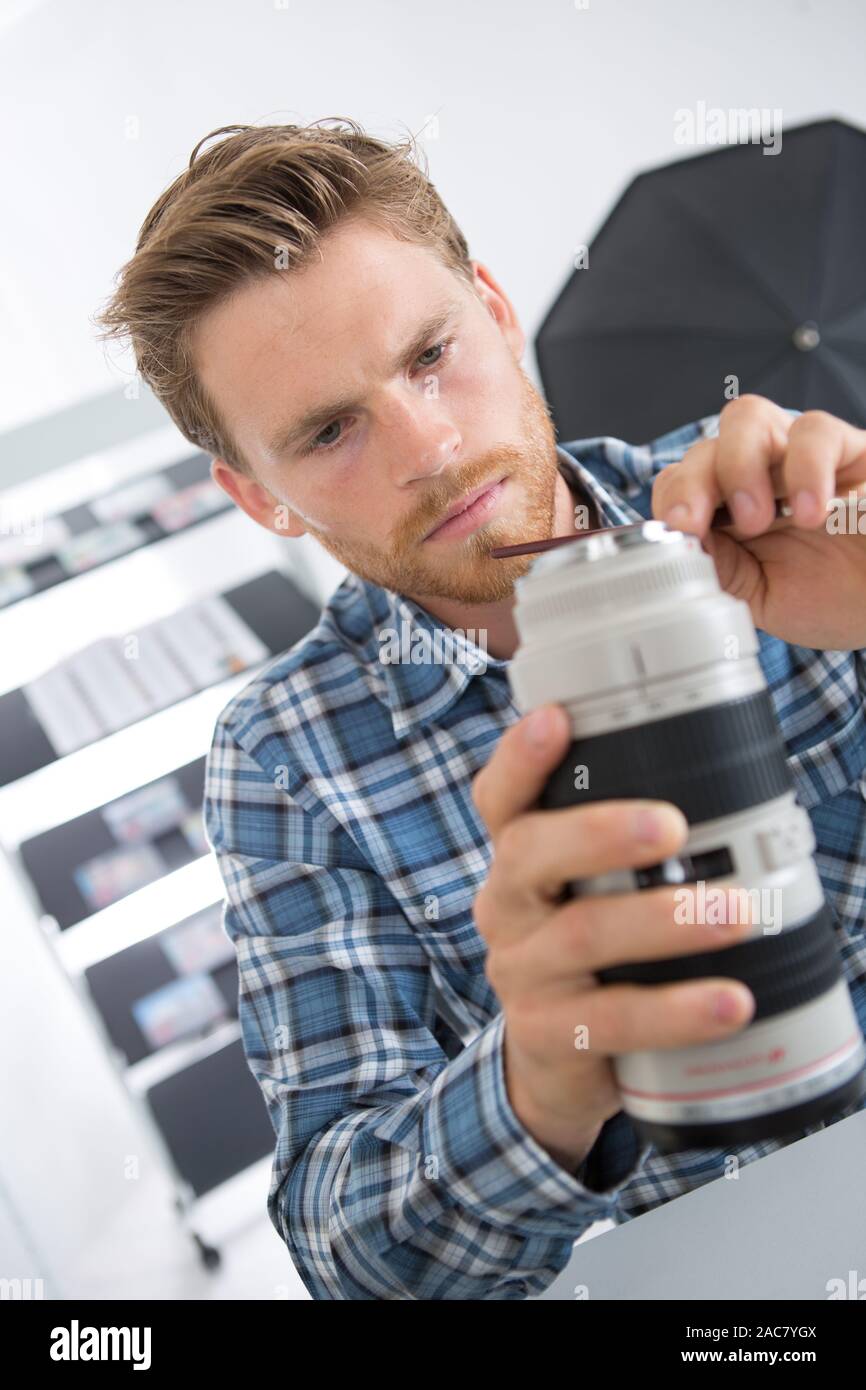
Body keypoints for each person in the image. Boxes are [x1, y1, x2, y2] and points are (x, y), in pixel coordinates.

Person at [95, 119, 866, 1301]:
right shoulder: (289, 758)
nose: (431, 446)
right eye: (328, 430)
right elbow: (348, 1255)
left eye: (427, 355)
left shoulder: (778, 513)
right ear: (261, 498)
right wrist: (541, 1079)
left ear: (495, 310)